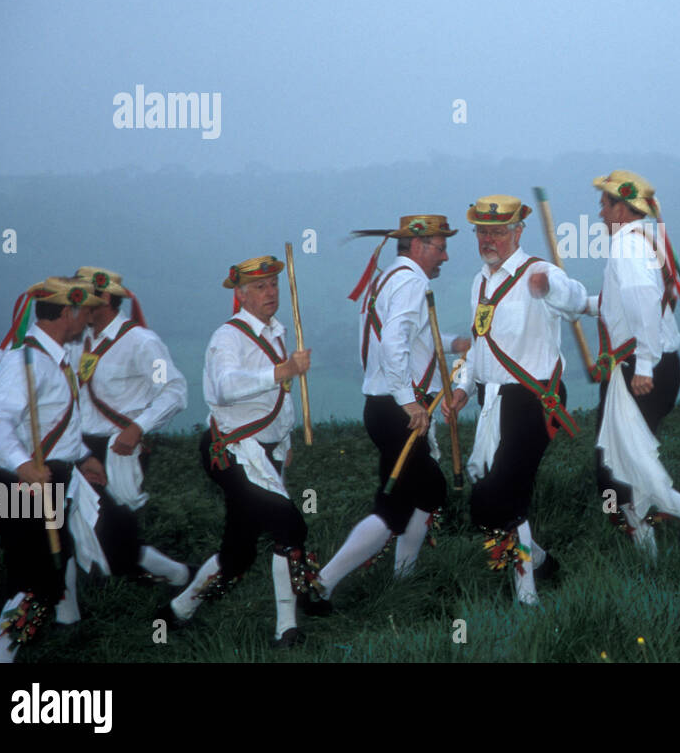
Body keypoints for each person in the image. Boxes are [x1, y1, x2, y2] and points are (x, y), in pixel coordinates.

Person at [163, 255, 322, 647]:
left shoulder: (277, 331)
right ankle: (287, 630)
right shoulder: (227, 337)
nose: (270, 293)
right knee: (289, 525)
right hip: (230, 452)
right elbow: (224, 387)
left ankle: (177, 611)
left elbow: (278, 401)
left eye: (273, 285)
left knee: (239, 553)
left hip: (263, 455)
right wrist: (282, 371)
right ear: (241, 294)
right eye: (260, 287)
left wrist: (283, 443)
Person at [443, 195, 587, 605]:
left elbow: (575, 299)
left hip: (533, 398)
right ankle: (540, 563)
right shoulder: (479, 281)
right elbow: (480, 344)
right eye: (482, 231)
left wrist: (551, 288)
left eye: (498, 231)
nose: (488, 238)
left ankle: (528, 598)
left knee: (499, 495)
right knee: (494, 499)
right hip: (492, 400)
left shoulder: (539, 271)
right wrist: (462, 388)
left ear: (518, 231)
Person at [316, 216, 457, 602]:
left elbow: (409, 337)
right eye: (440, 247)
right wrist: (410, 401)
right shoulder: (413, 281)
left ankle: (403, 582)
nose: (445, 256)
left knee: (415, 496)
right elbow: (395, 341)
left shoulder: (386, 278)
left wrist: (455, 342)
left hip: (380, 406)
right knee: (414, 498)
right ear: (418, 246)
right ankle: (322, 584)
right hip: (398, 410)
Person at [0, 276, 107, 663]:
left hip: (46, 477)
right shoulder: (25, 360)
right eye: (85, 312)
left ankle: (46, 634)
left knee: (50, 562)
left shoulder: (56, 359)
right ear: (66, 311)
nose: (88, 321)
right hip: (21, 483)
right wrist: (22, 465)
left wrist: (83, 457)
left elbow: (59, 423)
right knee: (37, 582)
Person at [584, 171, 680, 557]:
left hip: (640, 371)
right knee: (622, 463)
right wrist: (571, 301)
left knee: (617, 465)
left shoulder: (628, 248)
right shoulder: (644, 241)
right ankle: (651, 554)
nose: (600, 212)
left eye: (605, 205)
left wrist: (642, 367)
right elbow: (626, 304)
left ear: (622, 207)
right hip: (649, 365)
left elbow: (643, 308)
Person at [72, 266, 190, 587]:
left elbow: (175, 390)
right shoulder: (78, 339)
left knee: (110, 526)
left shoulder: (140, 342)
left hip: (119, 448)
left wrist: (138, 427)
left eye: (83, 296)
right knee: (78, 522)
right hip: (79, 446)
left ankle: (173, 573)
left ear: (106, 298)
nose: (75, 302)